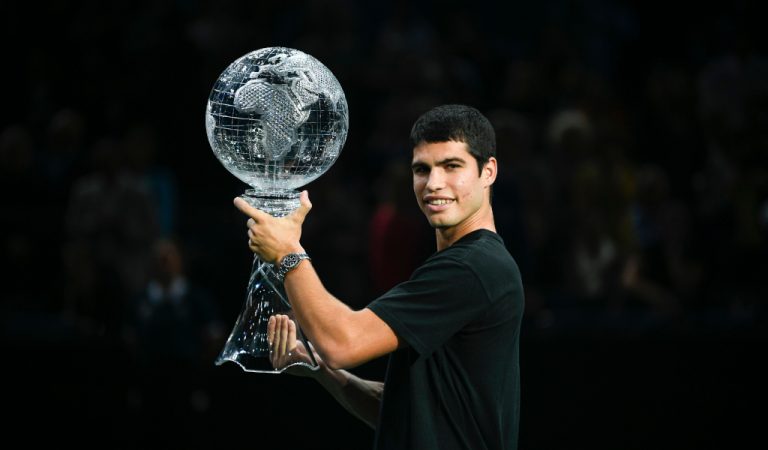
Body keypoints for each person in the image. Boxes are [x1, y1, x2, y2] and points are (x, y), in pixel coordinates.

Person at [235, 104, 525, 450]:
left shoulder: (472, 268)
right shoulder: (468, 265)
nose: (433, 183)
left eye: (451, 166)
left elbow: (342, 343)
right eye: (422, 169)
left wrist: (287, 253)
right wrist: (320, 369)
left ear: (488, 171)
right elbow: (403, 414)